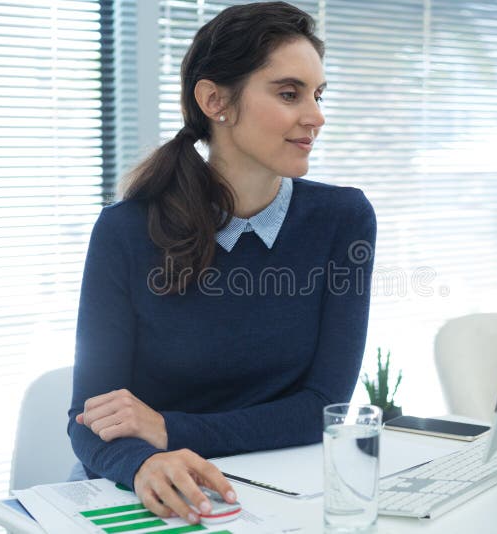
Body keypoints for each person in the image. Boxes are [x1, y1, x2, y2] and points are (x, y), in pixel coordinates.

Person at [67, 1, 376, 525]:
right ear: (215, 100)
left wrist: (169, 428)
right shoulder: (125, 231)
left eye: (318, 95)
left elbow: (323, 404)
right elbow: (90, 418)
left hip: (284, 486)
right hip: (155, 493)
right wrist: (144, 463)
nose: (316, 116)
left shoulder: (341, 220)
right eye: (288, 93)